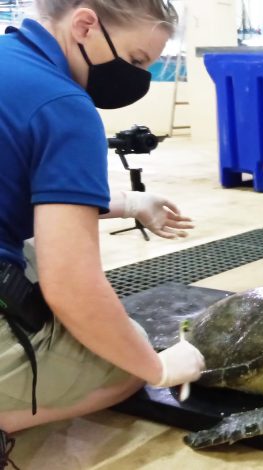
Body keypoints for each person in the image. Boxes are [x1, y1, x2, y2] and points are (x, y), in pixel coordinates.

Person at [0, 1, 205, 467]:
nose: (136, 78)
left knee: (31, 250)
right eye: (135, 60)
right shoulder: (63, 104)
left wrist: (130, 203)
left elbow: (19, 184)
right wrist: (155, 367)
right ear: (85, 24)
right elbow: (71, 286)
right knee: (120, 365)